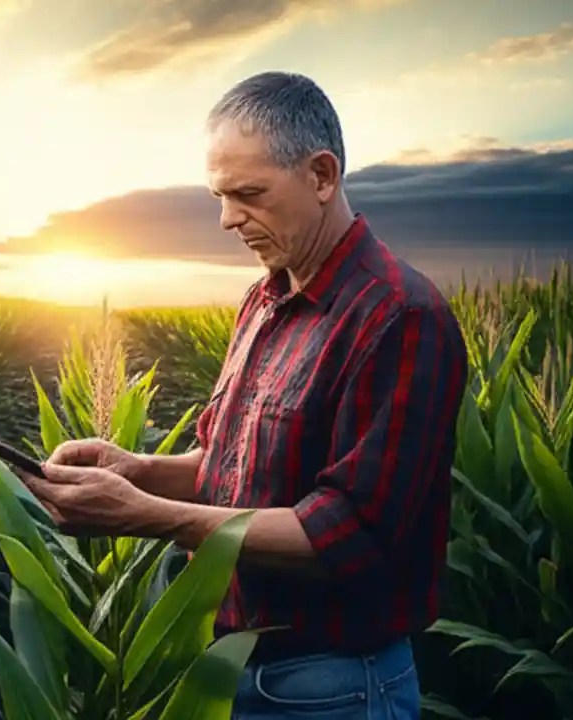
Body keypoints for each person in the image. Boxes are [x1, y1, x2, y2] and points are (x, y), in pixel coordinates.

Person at [23, 71, 468, 719]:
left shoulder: (398, 316)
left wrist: (147, 514)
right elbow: (233, 471)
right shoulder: (263, 302)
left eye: (248, 194)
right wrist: (139, 470)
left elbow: (346, 534)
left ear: (321, 176)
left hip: (333, 689)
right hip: (233, 672)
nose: (228, 219)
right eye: (219, 196)